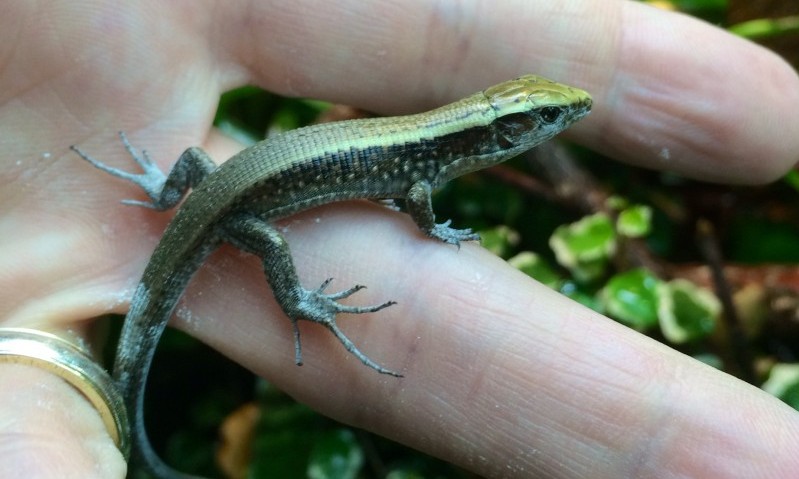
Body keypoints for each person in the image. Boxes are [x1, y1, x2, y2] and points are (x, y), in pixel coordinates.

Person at [1, 2, 798, 478]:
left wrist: (175, 197)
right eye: (539, 120)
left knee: (205, 191)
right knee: (268, 245)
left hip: (218, 186)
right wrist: (426, 234)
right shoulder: (429, 161)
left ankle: (163, 188)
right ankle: (300, 301)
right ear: (500, 130)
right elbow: (413, 201)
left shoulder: (439, 144)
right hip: (232, 209)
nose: (553, 124)